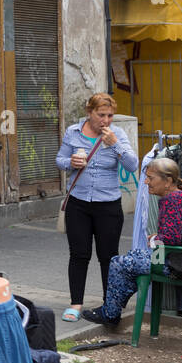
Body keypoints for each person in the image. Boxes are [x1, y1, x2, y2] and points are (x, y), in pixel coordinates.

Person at [83, 158, 182, 327]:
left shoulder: (173, 200)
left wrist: (156, 239)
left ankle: (110, 314)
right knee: (134, 257)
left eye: (151, 177)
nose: (146, 182)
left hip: (180, 264)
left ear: (168, 181)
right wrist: (159, 236)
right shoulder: (179, 196)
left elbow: (171, 239)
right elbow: (176, 233)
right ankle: (112, 309)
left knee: (118, 263)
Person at [55, 93, 138, 322]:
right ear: (89, 113)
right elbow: (59, 160)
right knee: (79, 255)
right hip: (78, 203)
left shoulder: (117, 134)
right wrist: (70, 162)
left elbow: (132, 165)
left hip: (108, 205)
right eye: (101, 115)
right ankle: (76, 304)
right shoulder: (73, 132)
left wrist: (116, 145)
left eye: (110, 115)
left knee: (108, 257)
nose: (106, 120)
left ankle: (109, 305)